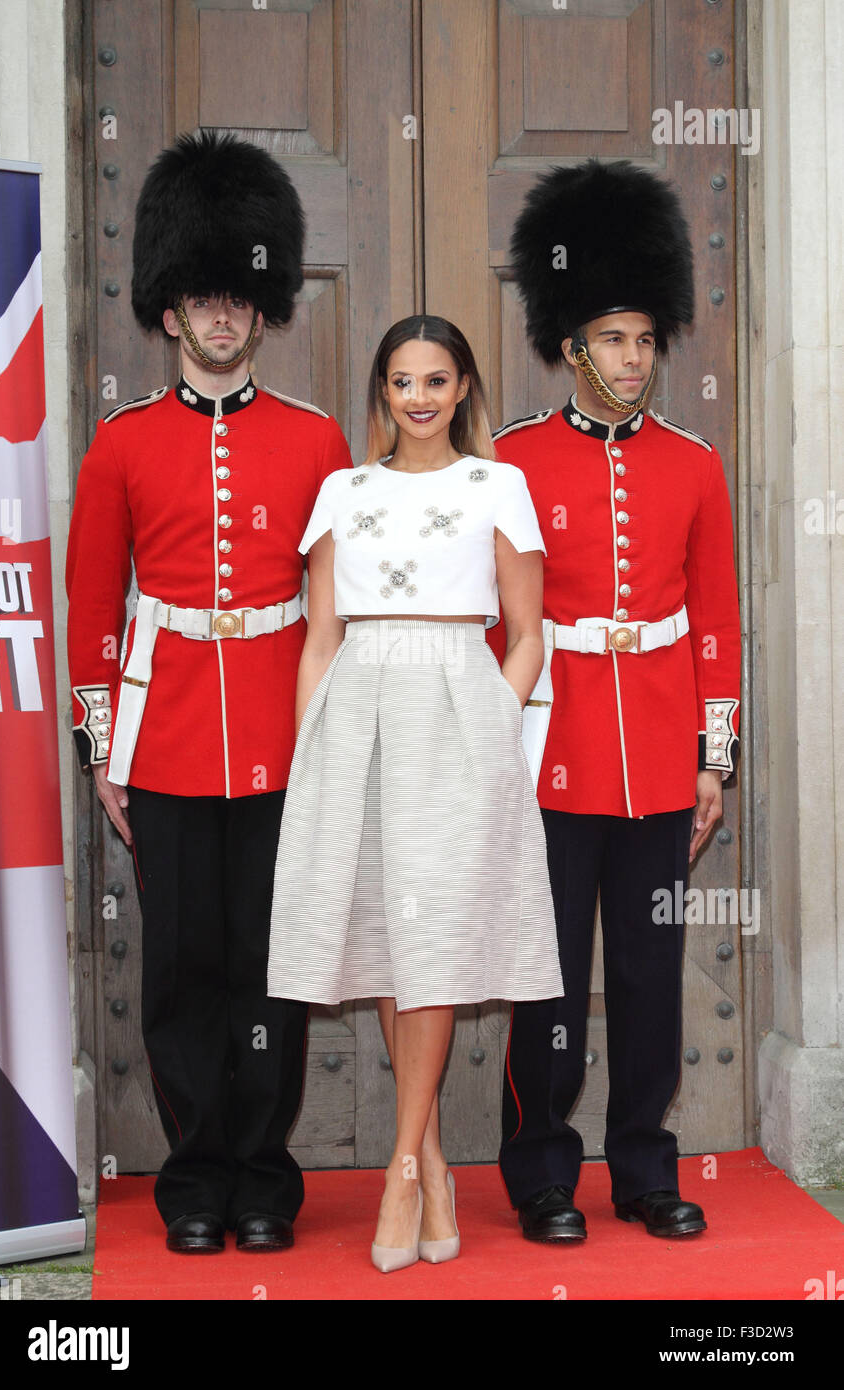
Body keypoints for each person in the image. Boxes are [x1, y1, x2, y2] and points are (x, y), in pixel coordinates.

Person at [65, 131, 352, 1254]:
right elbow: (95, 611)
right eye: (202, 300)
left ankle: (264, 1172)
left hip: (286, 739)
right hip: (167, 735)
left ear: (264, 307)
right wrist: (102, 750)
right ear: (170, 312)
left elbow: (335, 608)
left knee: (271, 967)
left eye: (240, 297)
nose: (223, 319)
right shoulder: (120, 446)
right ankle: (193, 1175)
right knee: (183, 965)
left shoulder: (316, 439)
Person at [267, 315, 563, 1271]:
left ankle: (398, 1166)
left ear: (465, 386)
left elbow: (528, 633)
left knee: (431, 939)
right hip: (356, 716)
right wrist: (313, 752)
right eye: (402, 381)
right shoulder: (341, 492)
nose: (421, 396)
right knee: (390, 944)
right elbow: (318, 638)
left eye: (438, 379)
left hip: (456, 715)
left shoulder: (499, 486)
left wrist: (487, 718)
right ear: (382, 393)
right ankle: (432, 1161)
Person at [490, 159, 741, 1242]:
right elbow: (492, 627)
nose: (632, 360)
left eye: (644, 339)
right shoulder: (507, 463)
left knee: (647, 977)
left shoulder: (693, 465)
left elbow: (716, 623)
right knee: (544, 979)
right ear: (567, 346)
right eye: (610, 339)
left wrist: (711, 759)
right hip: (547, 753)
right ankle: (541, 1169)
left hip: (653, 751)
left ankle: (642, 1165)